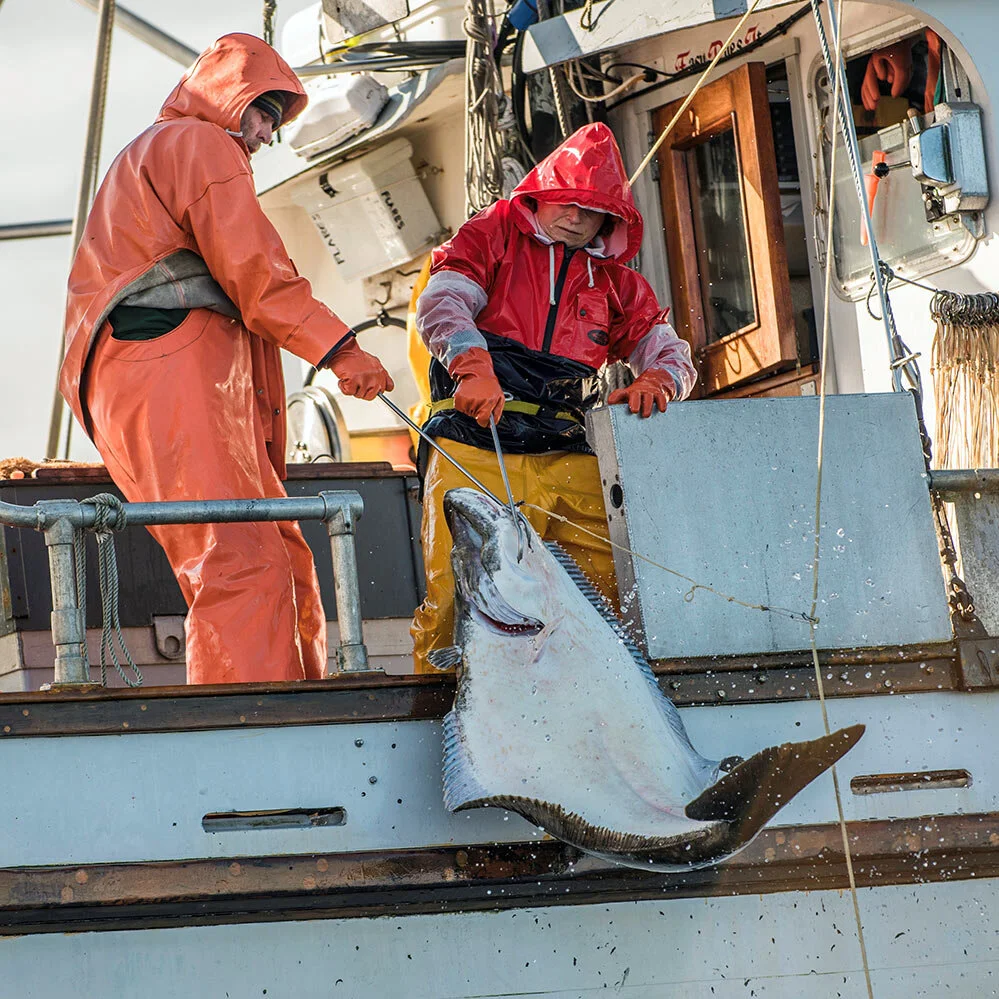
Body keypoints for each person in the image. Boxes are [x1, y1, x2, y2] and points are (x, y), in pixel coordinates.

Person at [60, 33, 394, 685]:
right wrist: (339, 349)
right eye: (263, 112)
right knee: (240, 560)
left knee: (270, 548)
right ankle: (261, 734)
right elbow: (253, 271)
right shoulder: (200, 144)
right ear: (227, 96)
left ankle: (284, 714)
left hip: (154, 378)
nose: (267, 135)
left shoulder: (162, 151)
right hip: (166, 371)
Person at [411, 121, 696, 673]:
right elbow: (441, 304)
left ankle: (616, 707)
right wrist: (472, 366)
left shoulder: (618, 282)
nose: (573, 216)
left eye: (588, 209)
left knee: (613, 587)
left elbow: (671, 356)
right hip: (474, 440)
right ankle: (438, 717)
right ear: (539, 197)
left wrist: (656, 383)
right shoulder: (490, 234)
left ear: (608, 220)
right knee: (454, 596)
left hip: (566, 447)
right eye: (564, 202)